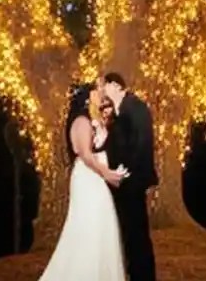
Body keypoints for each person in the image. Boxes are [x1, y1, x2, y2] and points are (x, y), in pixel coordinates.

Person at [37, 83, 128, 281]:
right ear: (88, 98)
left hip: (95, 178)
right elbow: (86, 155)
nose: (101, 96)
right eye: (97, 93)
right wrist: (106, 173)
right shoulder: (81, 122)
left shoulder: (94, 120)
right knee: (89, 224)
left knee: (102, 223)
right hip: (88, 179)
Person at [99, 71, 158, 281]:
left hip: (133, 182)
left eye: (104, 86)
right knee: (130, 234)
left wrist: (127, 174)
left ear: (115, 85)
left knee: (137, 234)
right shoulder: (120, 110)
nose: (102, 91)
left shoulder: (135, 107)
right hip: (125, 184)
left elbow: (141, 144)